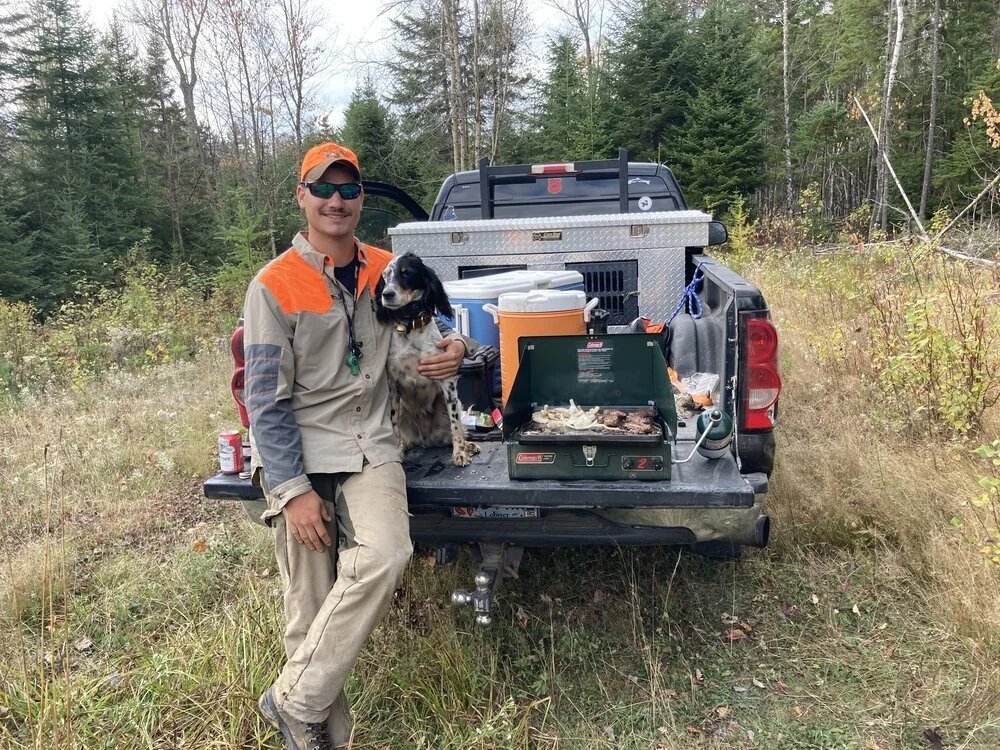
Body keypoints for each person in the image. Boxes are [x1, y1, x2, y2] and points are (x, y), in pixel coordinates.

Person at [242, 141, 467, 750]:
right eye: (323, 188)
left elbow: (441, 319)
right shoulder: (273, 286)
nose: (336, 201)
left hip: (374, 442)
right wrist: (291, 493)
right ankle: (319, 735)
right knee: (309, 604)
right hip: (303, 451)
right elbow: (265, 402)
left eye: (348, 190)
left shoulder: (386, 269)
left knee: (388, 553)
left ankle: (288, 700)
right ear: (302, 196)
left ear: (361, 199)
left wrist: (455, 351)